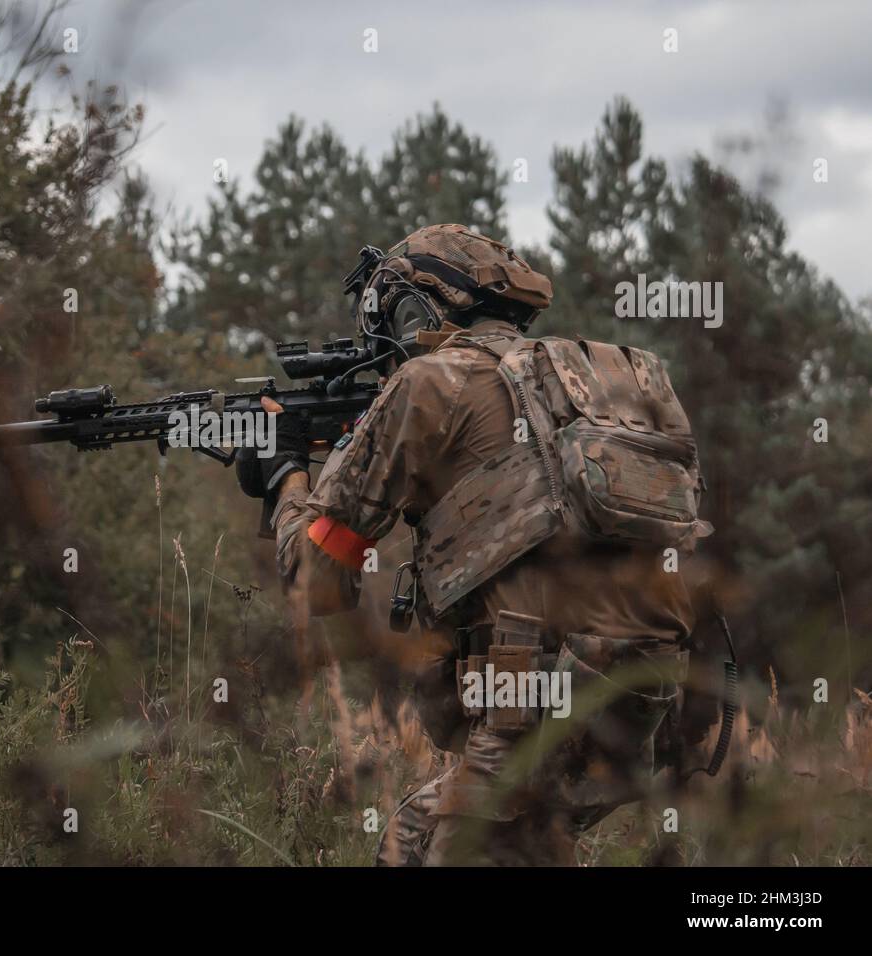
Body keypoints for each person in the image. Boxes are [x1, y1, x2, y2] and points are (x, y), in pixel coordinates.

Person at [237, 224, 711, 865]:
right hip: (646, 701)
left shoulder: (428, 384)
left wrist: (285, 471)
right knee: (483, 840)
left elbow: (317, 577)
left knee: (428, 845)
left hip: (540, 699)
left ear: (418, 310)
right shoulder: (592, 386)